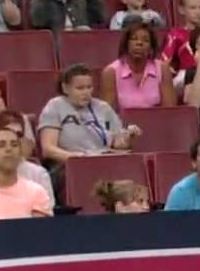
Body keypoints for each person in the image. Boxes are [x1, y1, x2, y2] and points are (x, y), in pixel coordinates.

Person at [38, 64, 138, 195]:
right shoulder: (55, 106)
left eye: (89, 87)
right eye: (79, 88)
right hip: (69, 166)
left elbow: (119, 145)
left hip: (103, 162)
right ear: (65, 88)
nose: (86, 92)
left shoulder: (103, 107)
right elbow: (48, 149)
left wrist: (128, 137)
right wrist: (77, 159)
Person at [101, 21, 177, 110]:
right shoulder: (111, 72)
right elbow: (108, 115)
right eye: (134, 39)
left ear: (151, 48)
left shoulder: (162, 69)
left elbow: (170, 111)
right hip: (123, 123)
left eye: (146, 40)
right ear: (126, 44)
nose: (139, 43)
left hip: (157, 122)